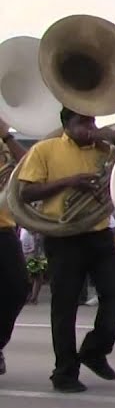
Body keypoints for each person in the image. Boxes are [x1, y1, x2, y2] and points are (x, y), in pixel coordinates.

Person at [15, 107, 115, 393]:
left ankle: (95, 350)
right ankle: (64, 372)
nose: (90, 127)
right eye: (82, 122)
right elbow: (26, 192)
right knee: (65, 307)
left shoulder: (104, 150)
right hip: (63, 236)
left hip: (99, 232)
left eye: (92, 121)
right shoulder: (45, 149)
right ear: (66, 124)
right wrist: (69, 182)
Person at [0, 120, 29, 376]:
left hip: (3, 227)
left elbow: (29, 167)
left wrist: (7, 137)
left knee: (18, 288)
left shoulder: (4, 144)